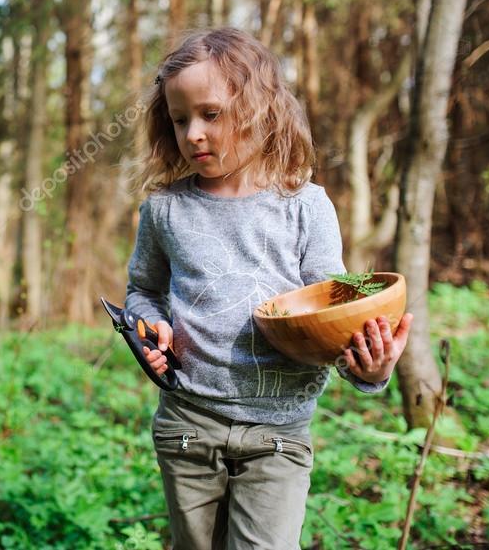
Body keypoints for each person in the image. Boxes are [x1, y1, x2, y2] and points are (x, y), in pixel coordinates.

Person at [124, 27, 412, 550]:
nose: (192, 133)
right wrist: (148, 329)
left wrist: (371, 370)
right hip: (189, 426)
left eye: (210, 114)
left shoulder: (306, 207)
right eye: (180, 118)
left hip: (279, 433)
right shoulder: (165, 211)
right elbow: (142, 290)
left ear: (261, 109)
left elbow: (331, 312)